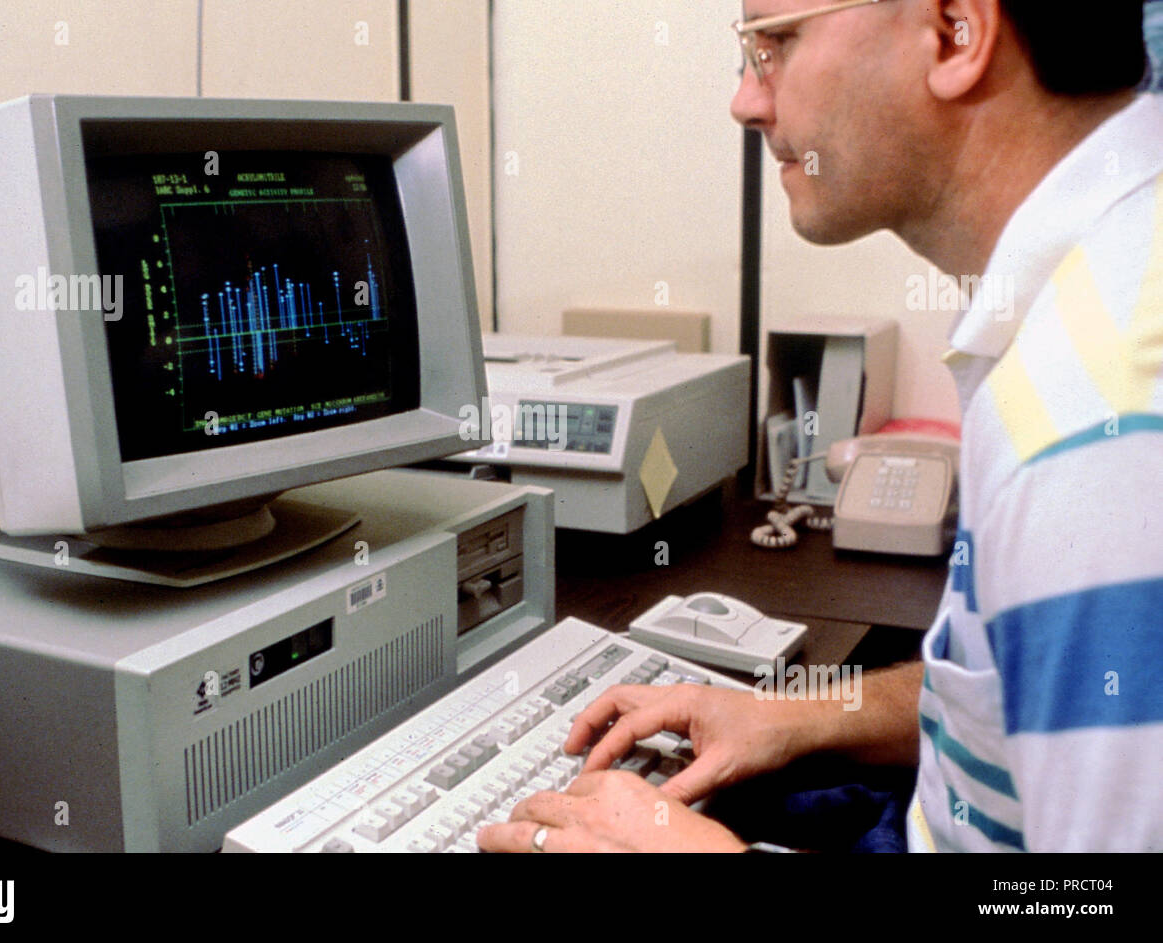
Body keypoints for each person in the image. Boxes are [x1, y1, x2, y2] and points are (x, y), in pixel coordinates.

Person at [478, 0, 1163, 853]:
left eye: (774, 44)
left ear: (956, 30)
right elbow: (1003, 697)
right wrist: (800, 716)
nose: (745, 100)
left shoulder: (1104, 409)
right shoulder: (1094, 291)